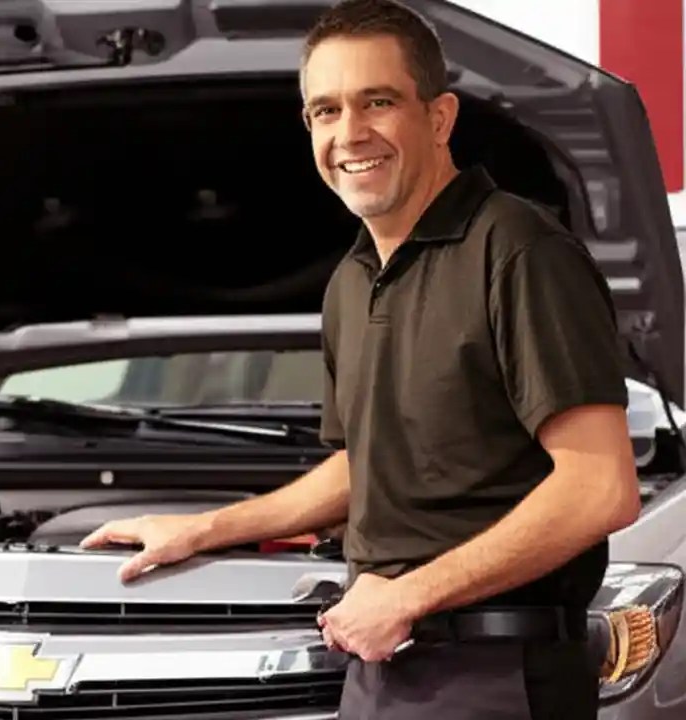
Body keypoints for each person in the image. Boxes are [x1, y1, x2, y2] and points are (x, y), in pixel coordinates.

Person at [79, 0, 643, 717]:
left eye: (377, 101)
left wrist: (408, 595)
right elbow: (364, 465)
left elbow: (600, 489)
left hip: (498, 673)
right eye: (325, 111)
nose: (350, 134)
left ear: (439, 118)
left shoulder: (519, 251)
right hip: (383, 665)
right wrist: (203, 528)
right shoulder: (353, 278)